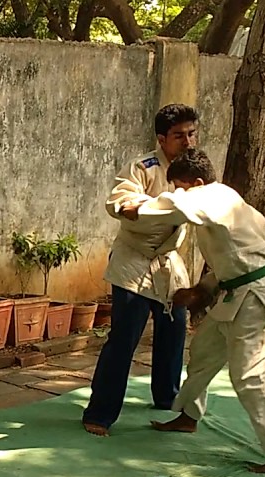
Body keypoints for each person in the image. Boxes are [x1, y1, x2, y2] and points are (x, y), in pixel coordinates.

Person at [140, 149, 265, 474]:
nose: (176, 193)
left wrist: (133, 207)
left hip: (257, 299)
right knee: (203, 352)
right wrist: (203, 289)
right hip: (234, 293)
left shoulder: (213, 196)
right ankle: (188, 416)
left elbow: (176, 206)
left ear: (197, 182)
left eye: (180, 186)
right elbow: (238, 260)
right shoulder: (232, 209)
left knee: (250, 373)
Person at [82, 103, 199, 437]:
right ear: (162, 138)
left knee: (175, 332)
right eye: (179, 136)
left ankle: (167, 398)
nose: (187, 141)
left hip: (169, 263)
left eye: (191, 133)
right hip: (133, 262)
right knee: (123, 339)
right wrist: (130, 207)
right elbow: (120, 198)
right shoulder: (143, 166)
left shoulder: (193, 166)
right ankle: (101, 413)